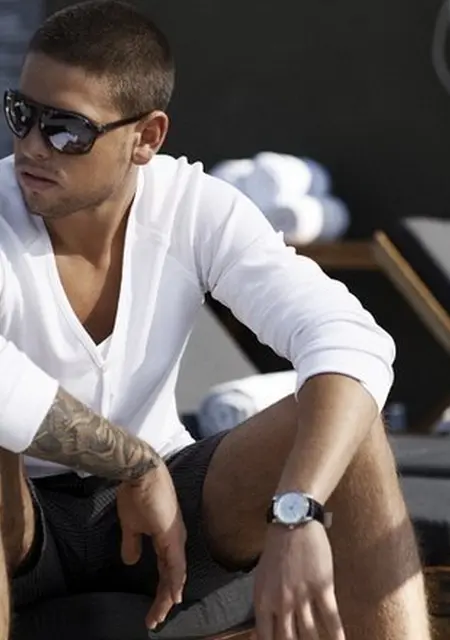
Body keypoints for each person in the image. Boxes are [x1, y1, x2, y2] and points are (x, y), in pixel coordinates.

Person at [0, 1, 430, 639]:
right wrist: (134, 463)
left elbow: (351, 339)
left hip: (169, 518)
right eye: (21, 113)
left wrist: (298, 511)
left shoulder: (194, 207)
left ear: (147, 138)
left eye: (67, 130)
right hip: (22, 524)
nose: (33, 145)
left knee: (349, 412)